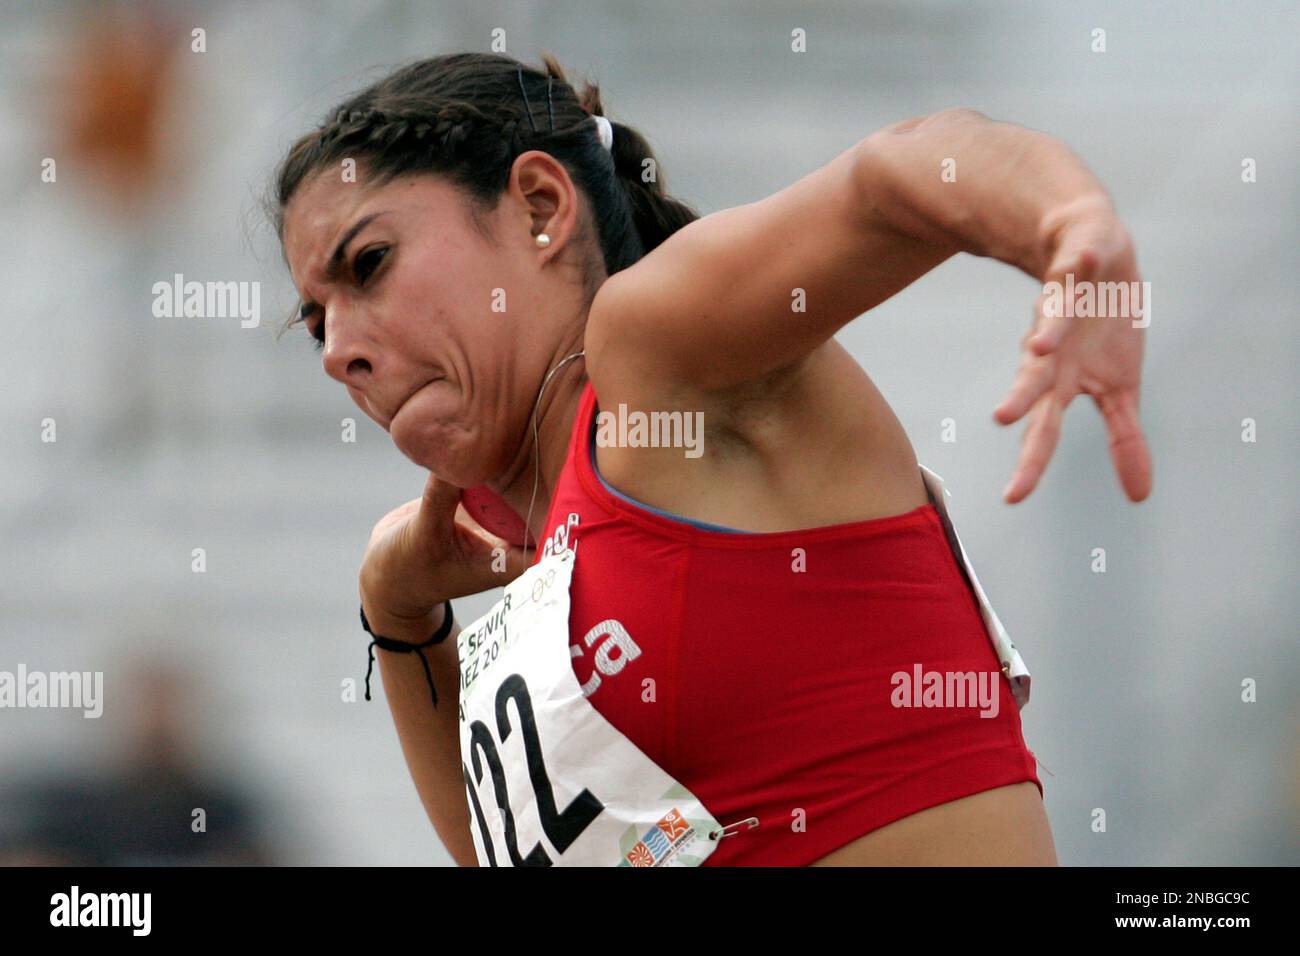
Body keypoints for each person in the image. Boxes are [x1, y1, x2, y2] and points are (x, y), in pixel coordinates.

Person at [269, 52, 1151, 866]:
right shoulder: (561, 559)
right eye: (316, 321)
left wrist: (1070, 225)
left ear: (540, 208)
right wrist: (395, 605)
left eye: (370, 264)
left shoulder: (653, 350)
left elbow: (896, 174)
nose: (335, 349)